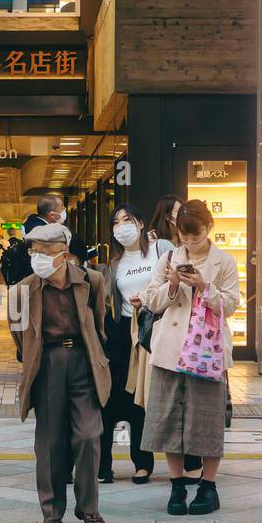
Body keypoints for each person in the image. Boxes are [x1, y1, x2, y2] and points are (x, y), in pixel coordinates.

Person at [10, 223, 110, 523]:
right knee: (49, 441)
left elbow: (100, 322)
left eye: (45, 252)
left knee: (88, 436)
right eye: (33, 251)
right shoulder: (22, 290)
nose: (37, 257)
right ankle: (52, 512)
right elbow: (17, 335)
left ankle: (88, 508)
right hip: (47, 363)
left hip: (83, 360)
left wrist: (96, 355)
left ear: (64, 255)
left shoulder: (92, 281)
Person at [142, 200, 239, 515]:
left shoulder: (223, 261)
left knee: (207, 421)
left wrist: (203, 287)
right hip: (171, 350)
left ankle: (208, 487)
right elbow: (152, 301)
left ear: (209, 228)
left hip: (207, 353)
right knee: (169, 418)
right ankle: (176, 486)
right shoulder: (169, 258)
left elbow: (232, 303)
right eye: (185, 237)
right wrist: (172, 285)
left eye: (195, 237)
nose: (190, 243)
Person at [99, 206, 162, 485]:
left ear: (140, 222)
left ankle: (142, 463)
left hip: (153, 330)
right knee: (113, 397)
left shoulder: (160, 251)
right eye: (116, 221)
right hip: (124, 332)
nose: (121, 225)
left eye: (127, 219)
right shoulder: (115, 263)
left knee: (141, 399)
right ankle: (104, 465)